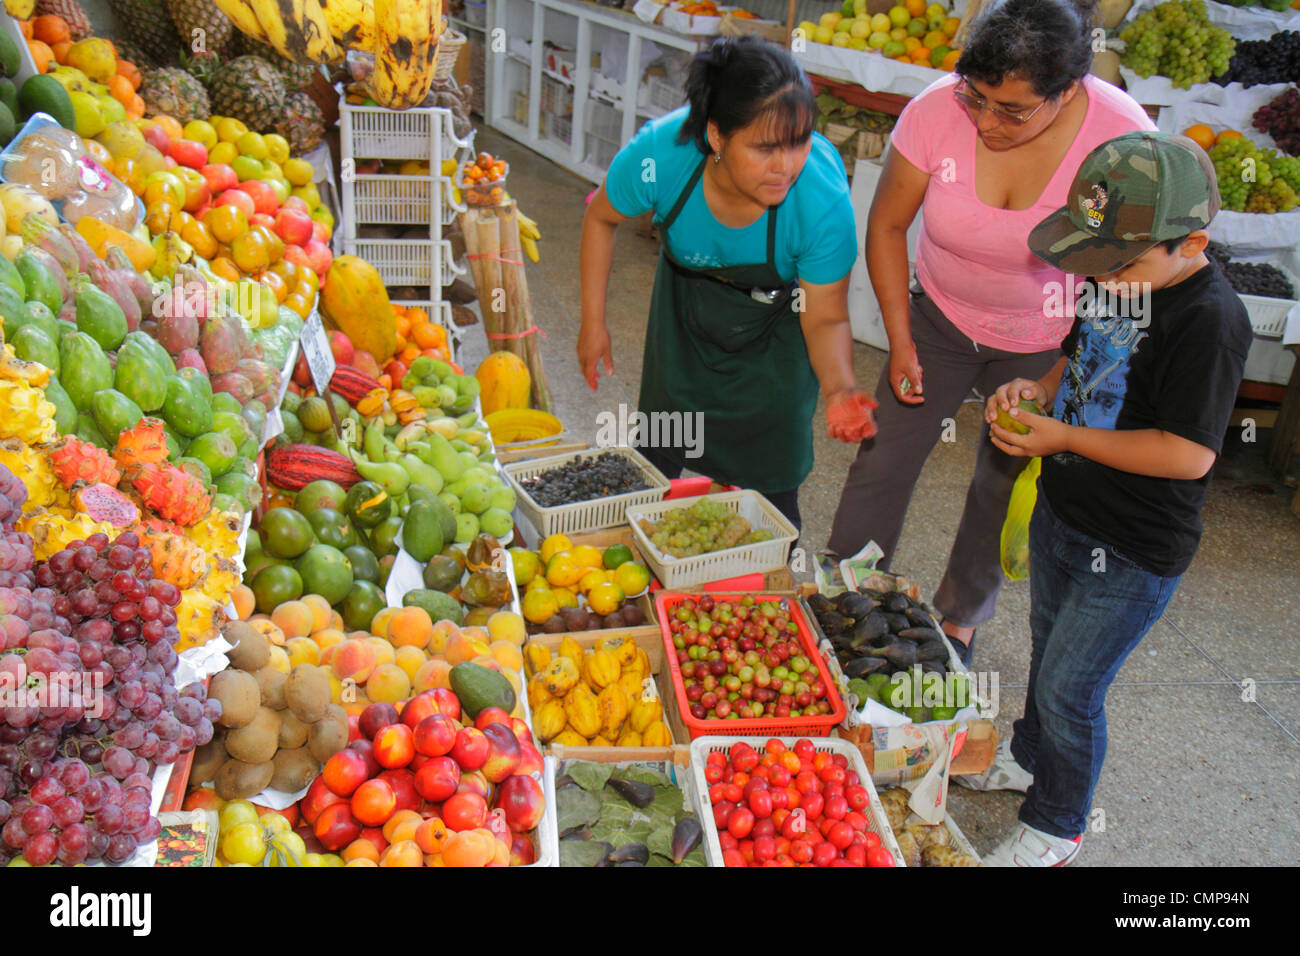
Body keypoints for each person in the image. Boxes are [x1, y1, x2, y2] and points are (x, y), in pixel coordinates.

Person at [826, 0, 1155, 663]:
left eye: (1012, 110)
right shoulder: (936, 111)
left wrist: (1056, 377)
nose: (985, 121)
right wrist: (901, 341)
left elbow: (1124, 279)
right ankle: (843, 598)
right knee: (883, 458)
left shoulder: (1119, 140)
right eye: (976, 98)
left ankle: (958, 622)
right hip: (938, 317)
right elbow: (888, 226)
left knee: (1002, 480)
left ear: (1066, 94)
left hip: (1049, 337)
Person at [959, 132, 1250, 866]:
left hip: (1132, 548)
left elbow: (1187, 454)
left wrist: (1063, 439)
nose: (1106, 278)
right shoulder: (1116, 273)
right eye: (1096, 260)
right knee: (1046, 655)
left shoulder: (1210, 321)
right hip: (1066, 514)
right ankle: (1029, 761)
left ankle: (1058, 826)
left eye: (1121, 263)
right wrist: (1039, 393)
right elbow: (1077, 351)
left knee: (1070, 689)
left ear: (1193, 242)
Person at [578, 36, 877, 531]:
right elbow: (600, 218)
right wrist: (593, 323)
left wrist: (840, 388)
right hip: (685, 320)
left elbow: (824, 314)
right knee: (657, 453)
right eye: (765, 148)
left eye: (800, 140)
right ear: (716, 136)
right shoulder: (661, 155)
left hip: (778, 332)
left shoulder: (819, 198)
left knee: (774, 487)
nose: (787, 165)